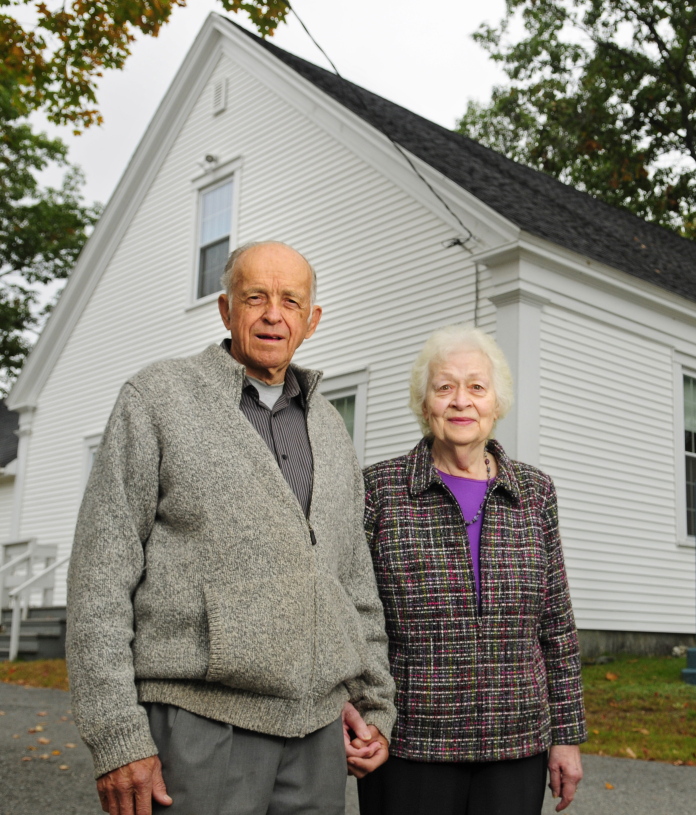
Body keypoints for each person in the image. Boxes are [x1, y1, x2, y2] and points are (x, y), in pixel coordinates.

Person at [66, 241, 394, 815]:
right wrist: (117, 735)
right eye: (255, 298)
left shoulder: (330, 428)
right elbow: (100, 576)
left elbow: (352, 582)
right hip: (198, 724)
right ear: (225, 310)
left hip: (318, 735)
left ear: (311, 321)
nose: (273, 314)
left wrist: (373, 704)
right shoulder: (158, 399)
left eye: (291, 301)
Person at [355, 324, 587, 815]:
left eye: (477, 387)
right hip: (409, 741)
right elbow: (353, 616)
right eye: (444, 388)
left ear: (497, 403)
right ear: (424, 404)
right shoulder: (379, 491)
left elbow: (557, 624)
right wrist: (360, 711)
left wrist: (565, 736)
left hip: (516, 742)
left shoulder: (535, 493)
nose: (461, 401)